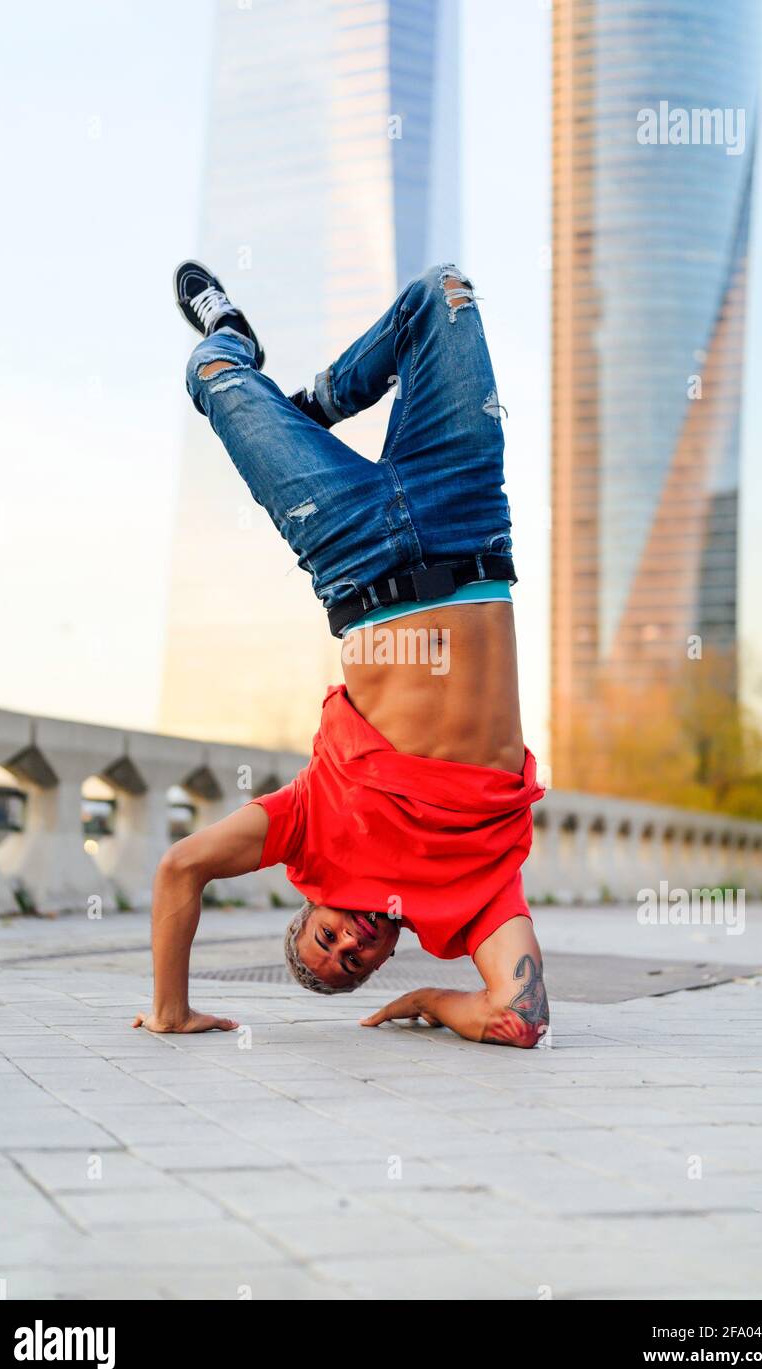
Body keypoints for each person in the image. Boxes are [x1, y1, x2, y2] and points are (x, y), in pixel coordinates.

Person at [132, 260, 549, 1048]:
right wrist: (428, 998)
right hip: (468, 519)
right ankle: (307, 411)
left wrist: (171, 1010)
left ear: (310, 904)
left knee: (213, 374)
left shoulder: (303, 832)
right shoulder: (474, 900)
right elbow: (521, 1021)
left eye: (326, 942)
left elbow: (178, 869)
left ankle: (272, 370)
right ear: (389, 953)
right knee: (444, 296)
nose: (350, 945)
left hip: (352, 549)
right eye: (358, 965)